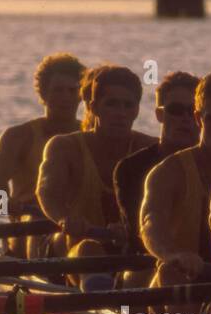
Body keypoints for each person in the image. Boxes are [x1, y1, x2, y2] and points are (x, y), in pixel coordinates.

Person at [140, 70, 211, 293]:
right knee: (169, 272)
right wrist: (172, 254)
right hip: (183, 282)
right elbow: (150, 222)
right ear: (197, 118)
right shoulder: (168, 172)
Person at [35, 65, 157, 264]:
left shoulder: (150, 148)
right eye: (112, 104)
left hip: (127, 247)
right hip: (73, 244)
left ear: (136, 110)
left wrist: (131, 227)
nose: (120, 113)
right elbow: (47, 193)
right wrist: (65, 218)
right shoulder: (64, 146)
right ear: (93, 107)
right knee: (88, 247)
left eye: (128, 105)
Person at [0, 53, 85, 257]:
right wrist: (5, 204)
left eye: (72, 90)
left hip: (76, 222)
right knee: (36, 221)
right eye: (58, 90)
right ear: (43, 94)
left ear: (82, 94)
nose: (65, 97)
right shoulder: (19, 136)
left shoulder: (90, 134)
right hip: (30, 219)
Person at [112, 71, 200, 287]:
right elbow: (141, 234)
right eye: (176, 110)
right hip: (143, 269)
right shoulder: (130, 169)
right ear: (160, 114)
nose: (185, 118)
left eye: (192, 111)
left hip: (201, 271)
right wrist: (174, 257)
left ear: (201, 117)